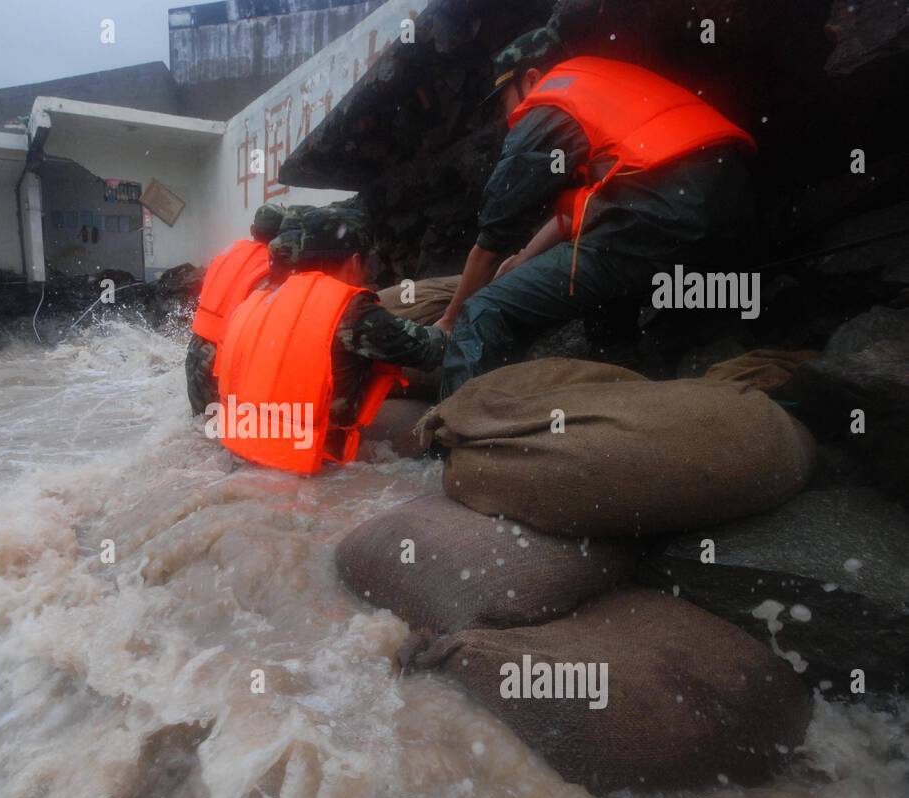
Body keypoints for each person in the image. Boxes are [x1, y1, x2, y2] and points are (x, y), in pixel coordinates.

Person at [435, 25, 758, 397]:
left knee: (484, 312)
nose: (505, 112)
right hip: (728, 208)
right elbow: (577, 215)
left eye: (503, 99)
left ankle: (451, 445)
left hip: (656, 217)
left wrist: (450, 319)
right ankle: (625, 384)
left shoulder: (554, 96)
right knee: (606, 301)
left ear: (531, 78)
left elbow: (493, 234)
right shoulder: (607, 83)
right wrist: (524, 258)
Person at [210, 207, 447, 474]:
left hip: (241, 453)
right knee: (421, 422)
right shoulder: (352, 311)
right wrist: (448, 321)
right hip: (308, 469)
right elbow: (430, 350)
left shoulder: (257, 300)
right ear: (356, 262)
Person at [185, 203, 285, 415]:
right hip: (219, 357)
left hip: (195, 348)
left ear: (252, 230)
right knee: (224, 433)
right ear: (280, 236)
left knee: (200, 427)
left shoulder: (229, 252)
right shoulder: (270, 266)